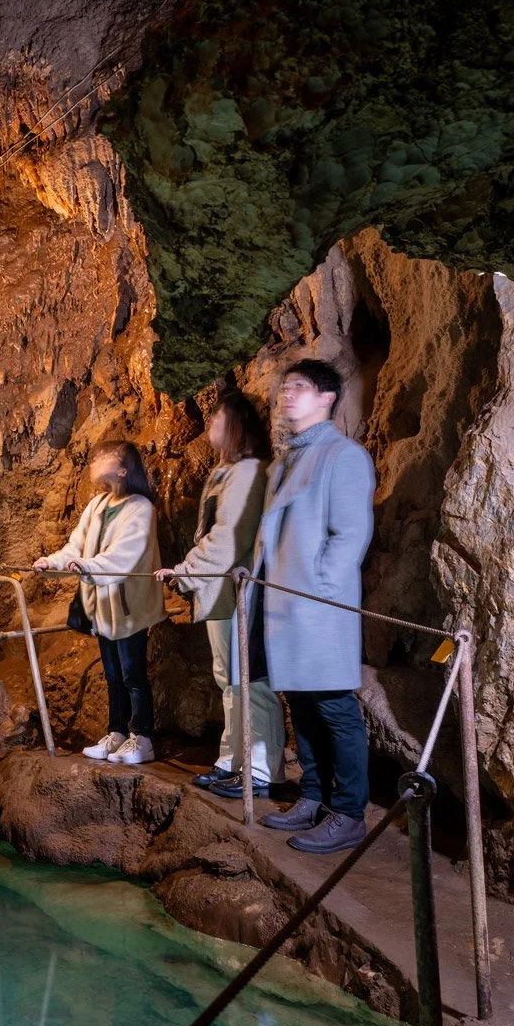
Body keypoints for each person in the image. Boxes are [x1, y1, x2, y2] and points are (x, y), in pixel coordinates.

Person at [250, 359, 376, 854]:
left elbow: (350, 535)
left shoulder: (342, 456)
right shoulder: (283, 463)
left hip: (317, 605)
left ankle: (348, 813)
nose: (286, 395)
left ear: (327, 397)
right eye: (284, 388)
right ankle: (313, 796)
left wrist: (319, 591)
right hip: (286, 602)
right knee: (300, 705)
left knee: (335, 708)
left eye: (298, 387)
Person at [154, 393, 283, 799]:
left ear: (237, 425)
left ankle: (262, 770)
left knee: (250, 681)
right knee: (230, 680)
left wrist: (187, 571)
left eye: (217, 417)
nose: (210, 422)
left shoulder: (248, 471)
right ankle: (233, 761)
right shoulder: (228, 472)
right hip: (222, 590)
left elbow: (229, 537)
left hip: (240, 590)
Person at [34, 440, 166, 764]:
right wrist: (51, 563)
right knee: (112, 675)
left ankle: (143, 738)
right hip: (101, 607)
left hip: (128, 606)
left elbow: (124, 556)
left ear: (123, 470)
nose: (95, 461)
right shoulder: (97, 506)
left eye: (104, 457)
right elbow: (76, 547)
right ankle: (117, 733)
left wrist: (89, 567)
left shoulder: (140, 508)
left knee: (133, 674)